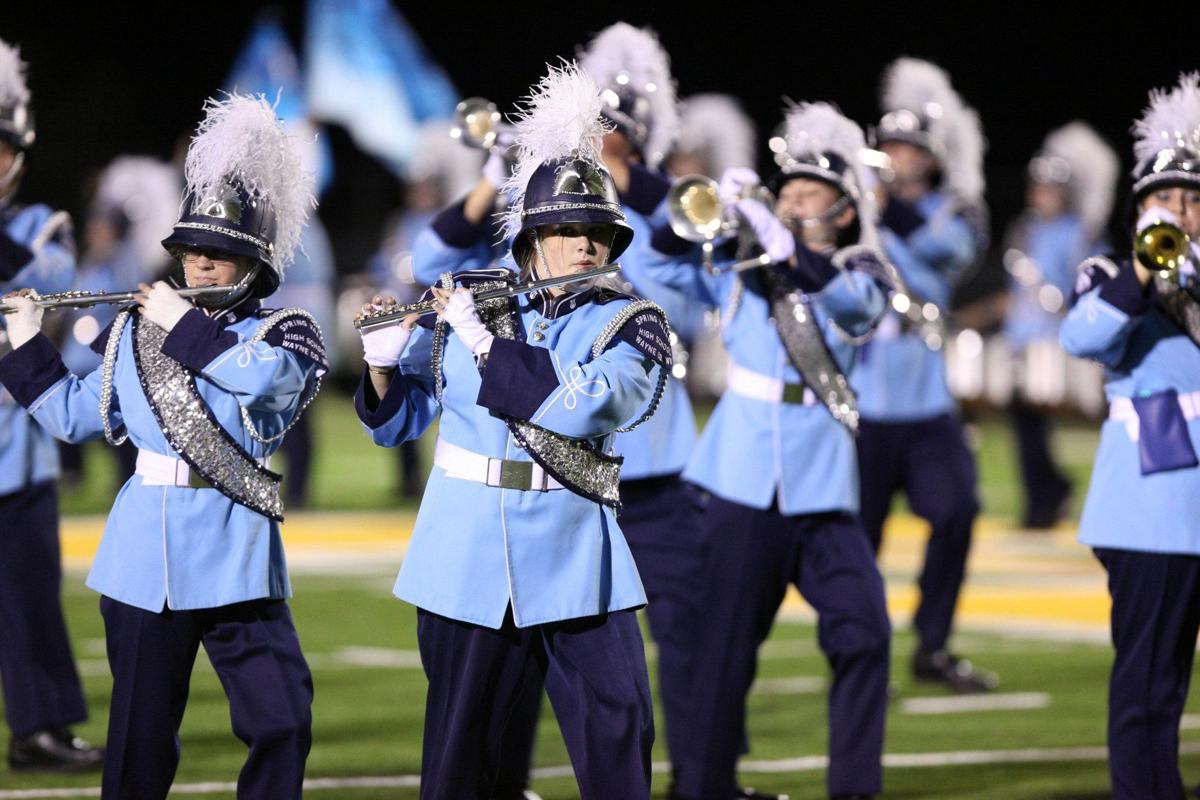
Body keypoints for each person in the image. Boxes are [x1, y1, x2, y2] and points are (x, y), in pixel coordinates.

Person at [354, 63, 669, 800]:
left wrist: (485, 346)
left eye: (598, 234)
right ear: (532, 236)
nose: (585, 246)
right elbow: (399, 424)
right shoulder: (471, 299)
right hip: (465, 550)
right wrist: (381, 367)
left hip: (576, 551)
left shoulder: (632, 322)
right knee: (462, 756)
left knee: (619, 730)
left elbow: (590, 404)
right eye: (567, 230)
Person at [0, 92, 324, 799]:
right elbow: (72, 417)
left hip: (240, 559)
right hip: (145, 557)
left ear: (253, 261)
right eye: (191, 251)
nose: (200, 264)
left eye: (219, 253)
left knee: (282, 720)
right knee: (139, 744)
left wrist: (184, 326)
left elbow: (268, 388)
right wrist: (24, 343)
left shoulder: (286, 331)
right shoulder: (134, 330)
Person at [645, 101, 894, 800]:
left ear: (844, 210)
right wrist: (708, 210)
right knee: (722, 648)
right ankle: (703, 786)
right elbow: (657, 259)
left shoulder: (863, 264)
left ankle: (855, 789)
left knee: (865, 631)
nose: (792, 201)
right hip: (740, 479)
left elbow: (855, 307)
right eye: (788, 191)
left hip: (825, 487)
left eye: (811, 193)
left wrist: (787, 251)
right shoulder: (737, 258)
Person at [1059, 72, 1200, 800]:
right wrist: (1148, 270)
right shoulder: (1109, 274)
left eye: (1192, 200)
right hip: (1153, 510)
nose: (1179, 211)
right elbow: (1081, 337)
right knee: (1151, 680)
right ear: (1141, 207)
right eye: (1164, 198)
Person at [853, 57, 996, 692]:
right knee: (858, 538)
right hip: (861, 400)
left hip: (926, 400)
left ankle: (932, 645)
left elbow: (952, 252)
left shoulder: (953, 210)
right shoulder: (853, 207)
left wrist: (884, 211)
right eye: (888, 146)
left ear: (931, 158)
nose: (896, 157)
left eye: (909, 149)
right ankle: (861, 650)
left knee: (958, 509)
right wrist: (862, 208)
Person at [0, 36, 102, 773]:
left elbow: (43, 283)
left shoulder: (42, 226)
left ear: (19, 160)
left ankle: (40, 728)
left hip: (14, 454)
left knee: (30, 598)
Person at [1001, 123, 1117, 527]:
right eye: (1037, 186)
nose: (1040, 194)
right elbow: (1016, 293)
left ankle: (1079, 497)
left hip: (1059, 341)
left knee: (1089, 415)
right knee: (1023, 420)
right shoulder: (1024, 230)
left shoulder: (1079, 234)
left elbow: (1094, 286)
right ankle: (1045, 496)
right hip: (1022, 341)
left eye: (1048, 188)